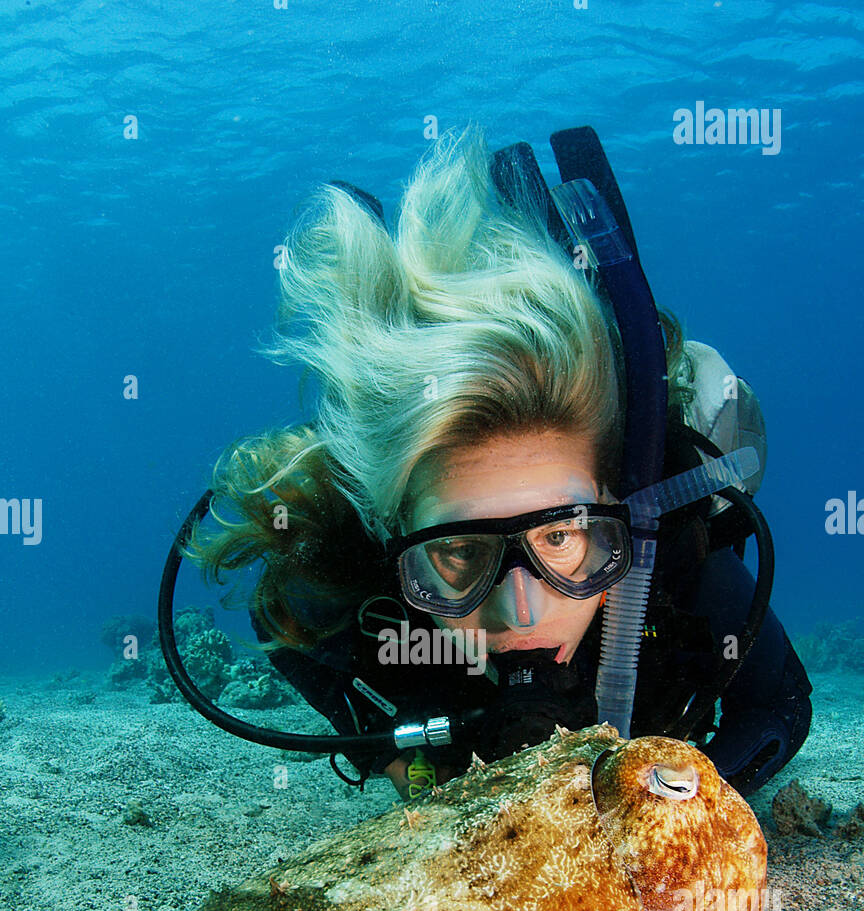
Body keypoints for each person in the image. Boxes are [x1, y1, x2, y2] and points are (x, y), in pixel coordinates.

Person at [184, 125, 812, 801]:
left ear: (619, 501)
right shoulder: (348, 580)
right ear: (392, 533)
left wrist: (680, 809)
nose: (519, 611)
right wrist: (391, 751)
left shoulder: (674, 555)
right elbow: (283, 623)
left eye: (561, 536)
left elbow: (778, 705)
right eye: (457, 549)